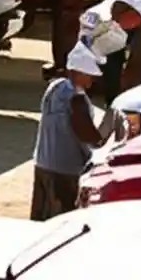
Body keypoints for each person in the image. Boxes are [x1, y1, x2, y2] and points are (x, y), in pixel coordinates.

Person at [29, 43, 104, 221]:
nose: (92, 81)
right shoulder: (77, 99)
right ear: (78, 72)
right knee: (61, 221)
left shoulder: (55, 88)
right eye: (89, 76)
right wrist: (101, 144)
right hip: (65, 170)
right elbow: (84, 131)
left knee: (42, 218)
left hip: (44, 163)